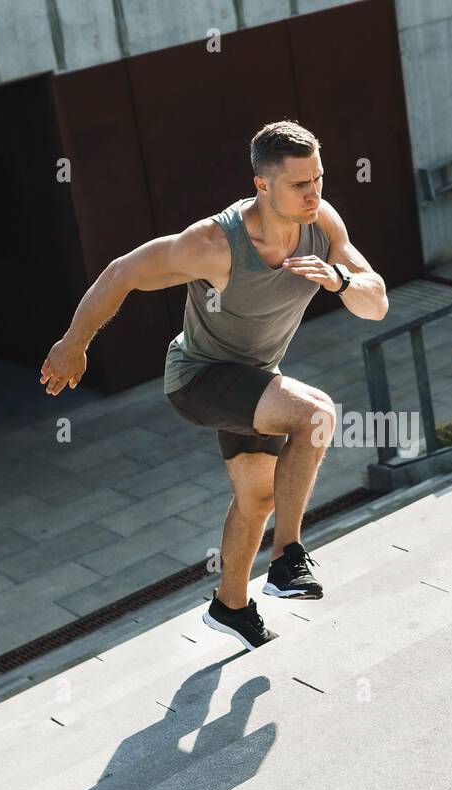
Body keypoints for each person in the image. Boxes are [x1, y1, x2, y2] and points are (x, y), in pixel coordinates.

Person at [39, 120, 389, 651]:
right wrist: (74, 343)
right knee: (314, 414)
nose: (314, 193)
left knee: (258, 497)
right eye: (300, 184)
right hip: (199, 378)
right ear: (263, 186)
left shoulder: (321, 223)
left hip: (254, 378)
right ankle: (288, 558)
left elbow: (376, 302)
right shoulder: (214, 244)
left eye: (319, 178)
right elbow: (121, 272)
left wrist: (340, 280)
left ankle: (230, 606)